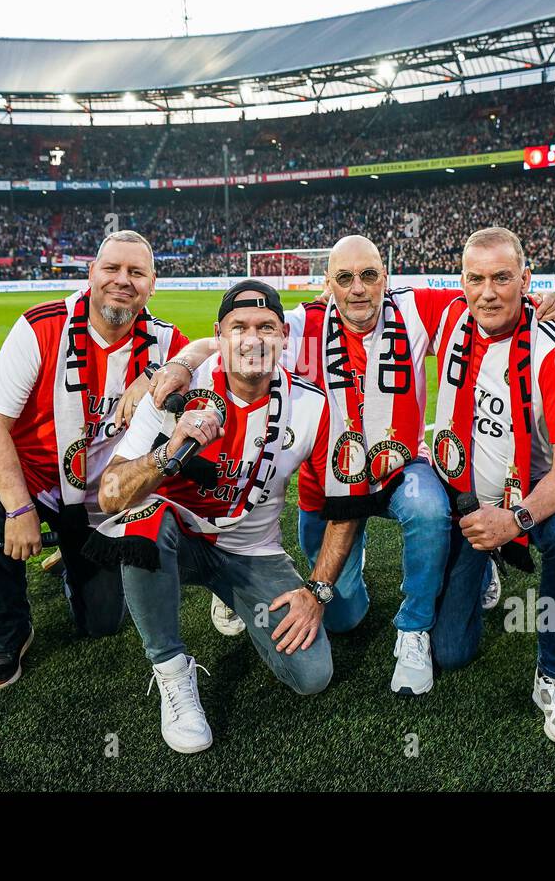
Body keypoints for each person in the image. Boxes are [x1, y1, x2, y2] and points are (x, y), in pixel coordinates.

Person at [149, 236, 555, 696]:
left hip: (399, 470)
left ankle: (413, 630)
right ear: (328, 285)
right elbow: (230, 337)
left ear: (385, 278)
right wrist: (183, 364)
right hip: (328, 487)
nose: (359, 288)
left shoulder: (415, 309)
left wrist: (536, 301)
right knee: (345, 618)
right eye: (345, 278)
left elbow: (490, 300)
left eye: (369, 275)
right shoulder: (302, 325)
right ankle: (352, 556)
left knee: (429, 507)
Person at [91, 281, 357, 753]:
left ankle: (230, 596)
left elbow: (344, 509)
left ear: (284, 338)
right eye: (239, 328)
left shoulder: (314, 406)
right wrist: (165, 454)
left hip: (252, 551)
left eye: (266, 328)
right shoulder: (176, 390)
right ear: (219, 334)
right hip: (178, 539)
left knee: (312, 675)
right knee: (142, 517)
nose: (252, 339)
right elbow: (111, 495)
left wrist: (317, 592)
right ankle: (173, 672)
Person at [0, 230, 189, 689]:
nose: (123, 281)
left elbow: (214, 356)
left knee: (102, 624)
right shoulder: (41, 327)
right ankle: (9, 635)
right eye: (112, 269)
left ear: (152, 284)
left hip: (102, 497)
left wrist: (162, 372)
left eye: (136, 273)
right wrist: (20, 510)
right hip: (34, 479)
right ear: (91, 274)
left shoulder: (166, 343)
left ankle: (71, 553)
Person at [430, 228, 555, 743]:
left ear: (525, 280)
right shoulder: (448, 315)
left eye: (502, 278)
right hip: (463, 499)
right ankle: (484, 570)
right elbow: (359, 299)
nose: (487, 292)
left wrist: (515, 520)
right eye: (476, 279)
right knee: (450, 655)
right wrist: (196, 356)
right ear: (461, 282)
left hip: (529, 493)